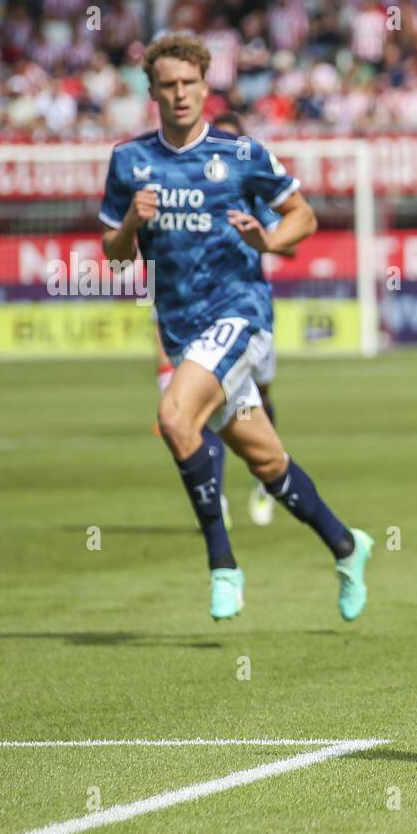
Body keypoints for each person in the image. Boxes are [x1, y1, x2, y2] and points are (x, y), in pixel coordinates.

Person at [101, 33, 372, 622]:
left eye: (188, 84)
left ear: (205, 86)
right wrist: (128, 222)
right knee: (269, 464)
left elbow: (304, 215)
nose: (179, 94)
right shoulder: (129, 162)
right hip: (179, 328)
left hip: (239, 315)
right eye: (167, 85)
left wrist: (268, 240)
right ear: (151, 91)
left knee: (175, 418)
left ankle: (223, 565)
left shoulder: (243, 155)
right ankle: (348, 547)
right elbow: (117, 256)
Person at [152, 110, 288, 528]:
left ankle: (269, 475)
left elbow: (290, 239)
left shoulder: (246, 191)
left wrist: (261, 238)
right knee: (203, 408)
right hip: (195, 318)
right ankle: (216, 500)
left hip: (244, 314)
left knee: (257, 399)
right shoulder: (184, 191)